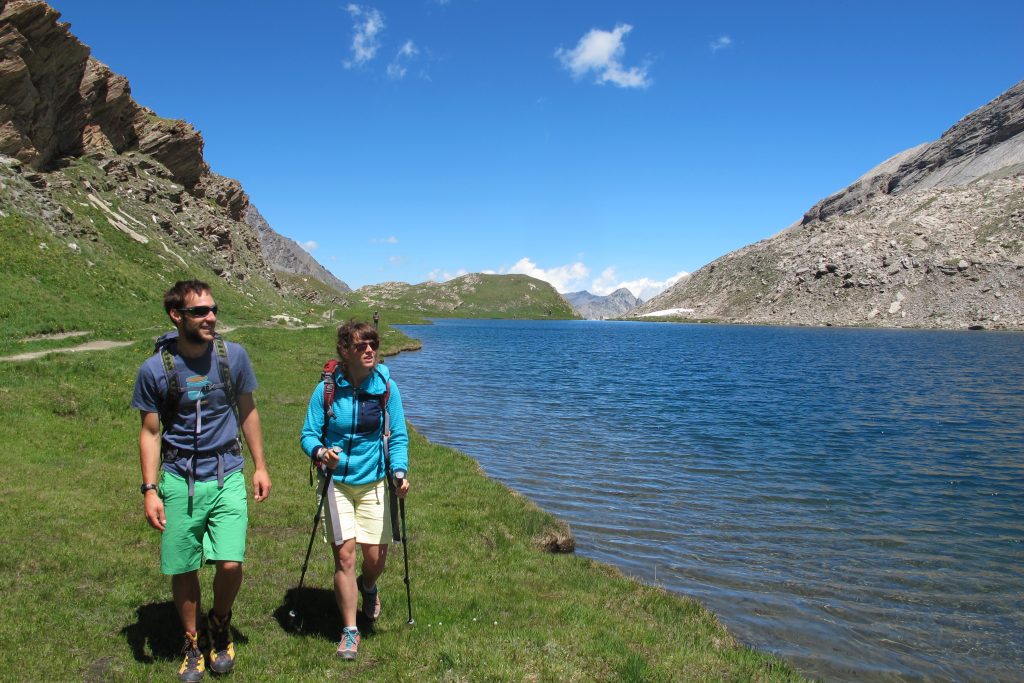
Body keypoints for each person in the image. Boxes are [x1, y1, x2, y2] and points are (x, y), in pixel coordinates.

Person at [132, 280, 271, 682]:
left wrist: (260, 466)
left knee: (230, 562)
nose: (211, 317)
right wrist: (149, 488)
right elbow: (150, 432)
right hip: (179, 478)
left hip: (227, 471)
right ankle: (192, 643)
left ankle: (220, 622)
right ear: (177, 316)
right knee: (185, 565)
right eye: (200, 311)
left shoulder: (234, 357)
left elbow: (248, 411)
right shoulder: (155, 369)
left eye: (214, 309)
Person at [300, 320, 409, 661]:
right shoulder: (328, 390)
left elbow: (399, 436)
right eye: (361, 345)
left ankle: (369, 586)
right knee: (345, 556)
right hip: (336, 484)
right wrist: (321, 453)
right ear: (344, 350)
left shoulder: (386, 387)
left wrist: (399, 471)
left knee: (375, 560)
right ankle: (350, 630)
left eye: (373, 344)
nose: (369, 350)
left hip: (375, 481)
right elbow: (308, 434)